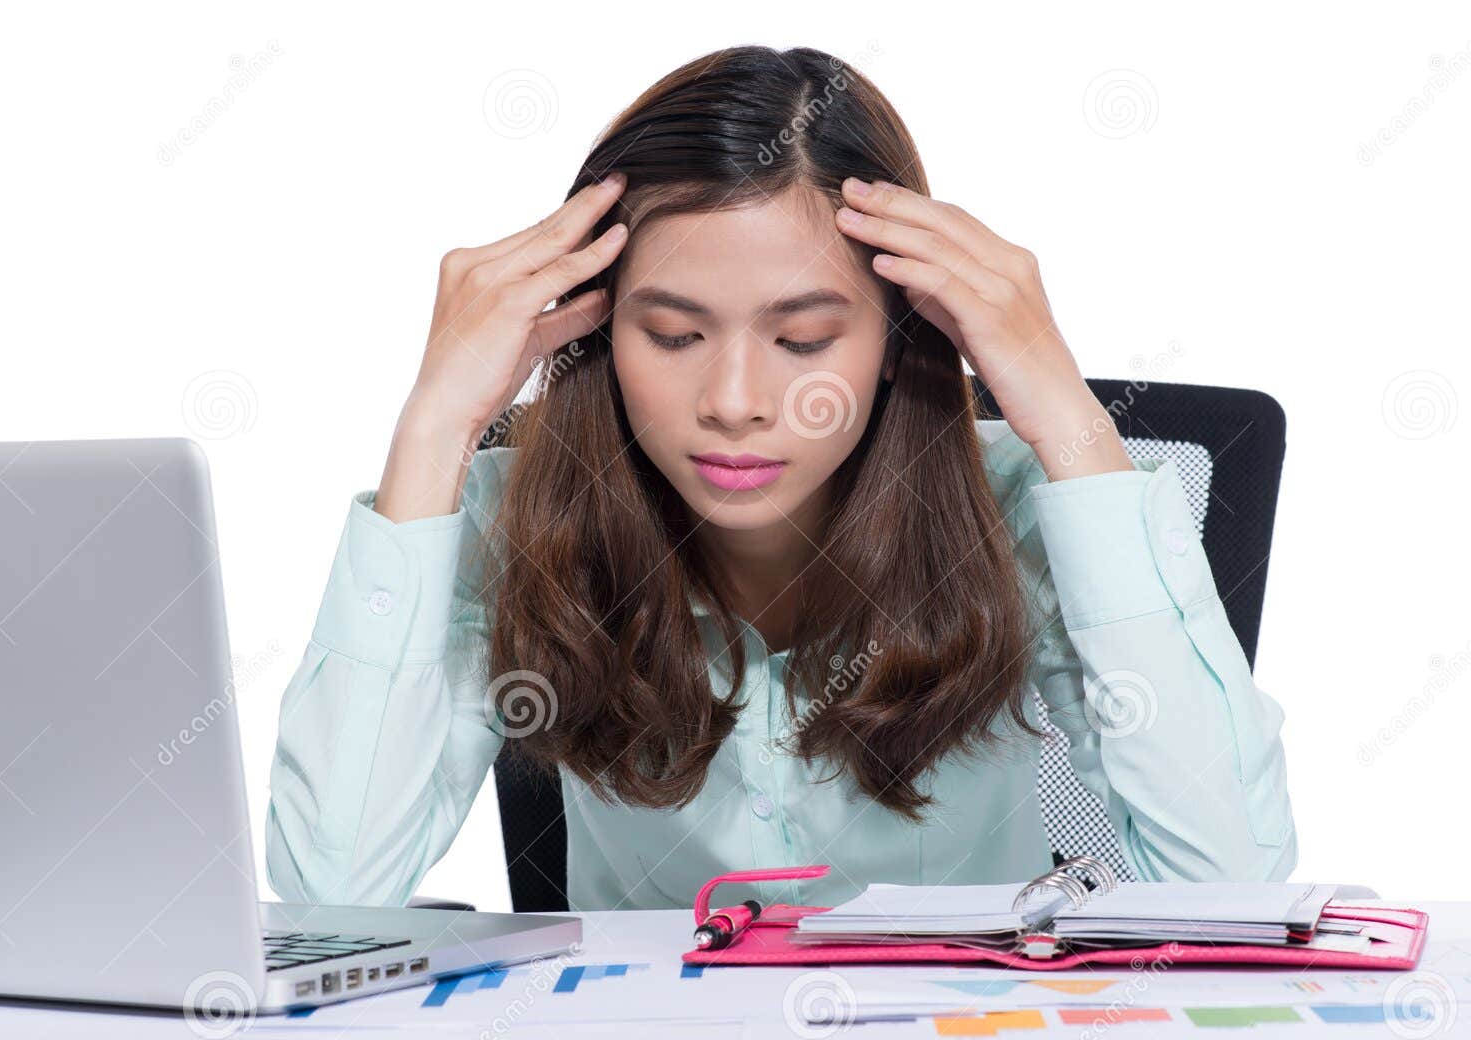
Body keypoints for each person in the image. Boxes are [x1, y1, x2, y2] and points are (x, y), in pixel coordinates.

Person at [265, 44, 1296, 912]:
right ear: (596, 328)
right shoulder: (509, 518)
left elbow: (1230, 889)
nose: (735, 399)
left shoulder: (1017, 514)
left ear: (899, 337)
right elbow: (329, 896)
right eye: (671, 333)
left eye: (803, 338)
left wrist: (1063, 413)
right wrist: (437, 422)